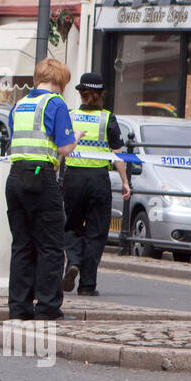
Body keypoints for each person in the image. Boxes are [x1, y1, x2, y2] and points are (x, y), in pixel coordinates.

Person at [6, 57, 78, 320]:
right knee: (50, 245)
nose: (63, 89)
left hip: (15, 178)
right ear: (58, 80)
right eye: (63, 84)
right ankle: (48, 308)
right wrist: (76, 137)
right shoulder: (55, 103)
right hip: (42, 178)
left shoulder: (19, 104)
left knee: (22, 245)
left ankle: (19, 308)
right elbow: (64, 147)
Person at [61, 73, 131, 297]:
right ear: (101, 94)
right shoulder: (107, 118)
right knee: (96, 231)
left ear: (80, 93)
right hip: (98, 180)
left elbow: (60, 150)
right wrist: (125, 181)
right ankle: (87, 285)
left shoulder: (70, 116)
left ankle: (73, 262)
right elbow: (117, 153)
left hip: (73, 178)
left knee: (71, 225)